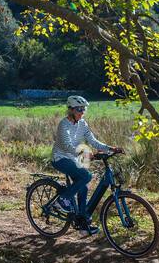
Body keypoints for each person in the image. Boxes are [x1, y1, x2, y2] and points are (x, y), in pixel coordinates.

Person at [52, 95, 123, 233]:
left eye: (83, 109)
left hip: (73, 159)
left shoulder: (82, 124)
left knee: (83, 188)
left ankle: (82, 223)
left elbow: (93, 140)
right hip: (60, 158)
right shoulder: (63, 124)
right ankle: (62, 200)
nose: (82, 112)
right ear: (71, 110)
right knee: (86, 176)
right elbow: (67, 146)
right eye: (79, 109)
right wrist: (83, 154)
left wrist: (110, 148)